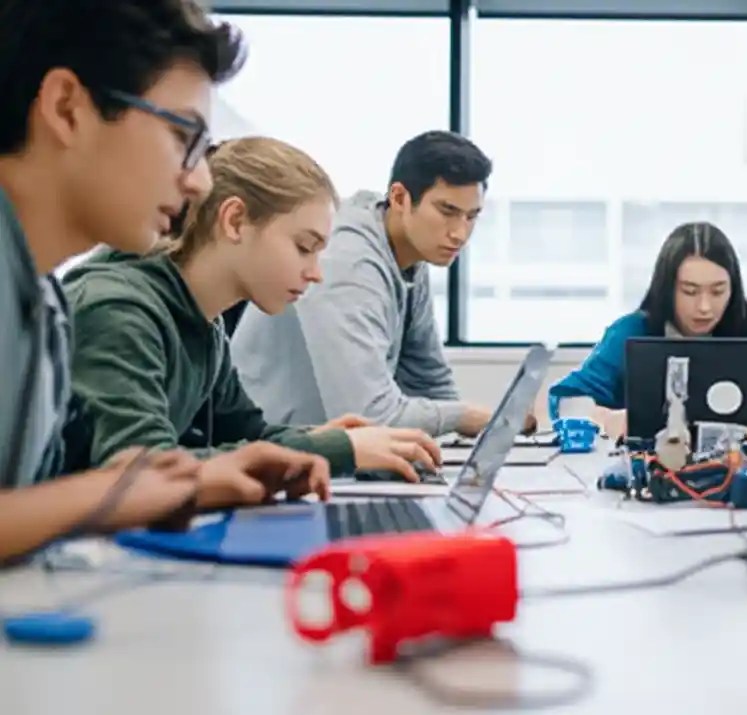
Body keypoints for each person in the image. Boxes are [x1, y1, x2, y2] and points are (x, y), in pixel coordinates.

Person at [0, 1, 327, 562]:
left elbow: (38, 497)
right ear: (67, 108)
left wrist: (191, 482)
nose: (200, 181)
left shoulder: (42, 299)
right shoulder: (96, 299)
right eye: (184, 138)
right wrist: (113, 492)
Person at [61, 137, 442, 483]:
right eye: (304, 247)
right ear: (235, 221)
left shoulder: (206, 325)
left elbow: (247, 433)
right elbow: (143, 469)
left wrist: (321, 441)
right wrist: (338, 451)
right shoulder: (119, 311)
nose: (315, 274)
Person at [230, 131, 516, 438]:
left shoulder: (408, 255)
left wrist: (480, 440)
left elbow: (429, 381)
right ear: (399, 198)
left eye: (471, 216)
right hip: (277, 457)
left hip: (341, 460)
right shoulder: (347, 262)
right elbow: (372, 416)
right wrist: (464, 417)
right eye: (447, 212)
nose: (459, 233)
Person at [547, 221, 747, 430]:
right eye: (690, 291)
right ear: (667, 288)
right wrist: (606, 418)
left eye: (718, 291)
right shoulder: (630, 333)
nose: (705, 307)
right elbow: (564, 400)